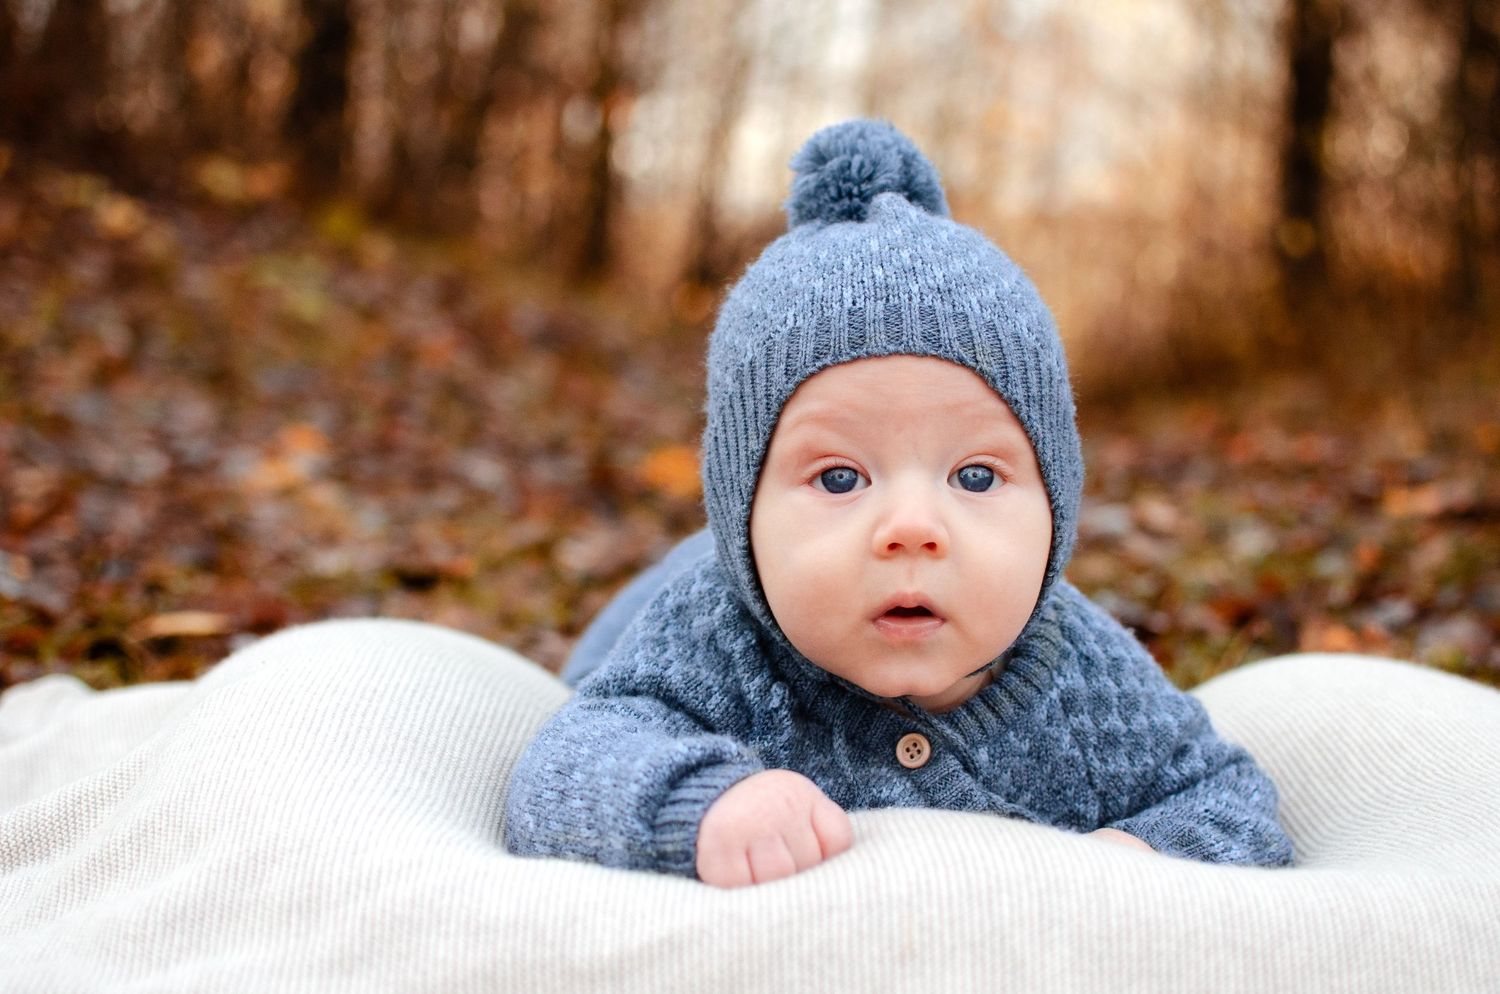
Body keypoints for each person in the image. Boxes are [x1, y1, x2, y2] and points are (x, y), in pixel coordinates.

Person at [504, 119, 1294, 888]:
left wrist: (1135, 860)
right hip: (655, 608)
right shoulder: (715, 639)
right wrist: (702, 803)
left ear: (1057, 506)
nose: (912, 529)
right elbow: (563, 768)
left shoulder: (1084, 676)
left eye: (976, 478)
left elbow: (1226, 799)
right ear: (741, 513)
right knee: (632, 632)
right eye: (841, 479)